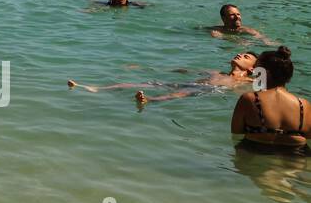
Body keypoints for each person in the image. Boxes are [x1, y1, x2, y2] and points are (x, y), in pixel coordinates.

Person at [68, 52, 258, 103]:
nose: (240, 55)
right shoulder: (216, 72)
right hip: (193, 83)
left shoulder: (248, 81)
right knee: (143, 83)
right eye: (240, 53)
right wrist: (143, 66)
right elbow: (182, 70)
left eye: (246, 57)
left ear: (252, 68)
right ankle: (95, 88)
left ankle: (148, 100)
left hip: (206, 90)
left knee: (180, 94)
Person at [231, 47, 310, 148]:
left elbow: (236, 133)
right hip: (298, 158)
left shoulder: (250, 99)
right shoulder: (304, 105)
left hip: (256, 155)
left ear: (263, 73)